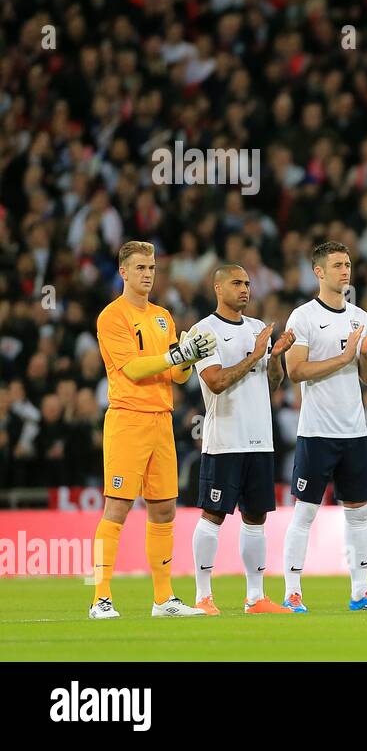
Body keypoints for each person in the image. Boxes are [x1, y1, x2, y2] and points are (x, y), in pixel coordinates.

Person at [89, 240, 216, 619]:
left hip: (162, 420)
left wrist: (191, 355)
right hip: (128, 418)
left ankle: (163, 600)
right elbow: (132, 369)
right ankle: (100, 599)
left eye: (152, 268)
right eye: (140, 268)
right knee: (117, 506)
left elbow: (175, 374)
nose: (147, 274)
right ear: (123, 272)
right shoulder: (112, 317)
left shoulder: (163, 316)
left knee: (164, 509)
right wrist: (174, 356)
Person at [281, 241, 367, 612]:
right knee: (305, 512)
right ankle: (292, 592)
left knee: (359, 513)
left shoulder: (359, 317)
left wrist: (363, 356)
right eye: (337, 265)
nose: (345, 271)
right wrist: (344, 356)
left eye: (348, 264)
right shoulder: (302, 317)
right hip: (316, 431)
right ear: (319, 272)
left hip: (354, 431)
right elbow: (295, 371)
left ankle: (361, 592)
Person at [190, 264, 297, 615]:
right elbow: (216, 381)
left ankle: (255, 597)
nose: (244, 289)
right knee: (213, 515)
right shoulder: (203, 331)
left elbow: (271, 384)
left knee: (256, 518)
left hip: (259, 440)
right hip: (225, 441)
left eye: (248, 284)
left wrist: (275, 356)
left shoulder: (255, 328)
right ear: (217, 287)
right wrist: (254, 356)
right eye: (236, 283)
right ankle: (203, 596)